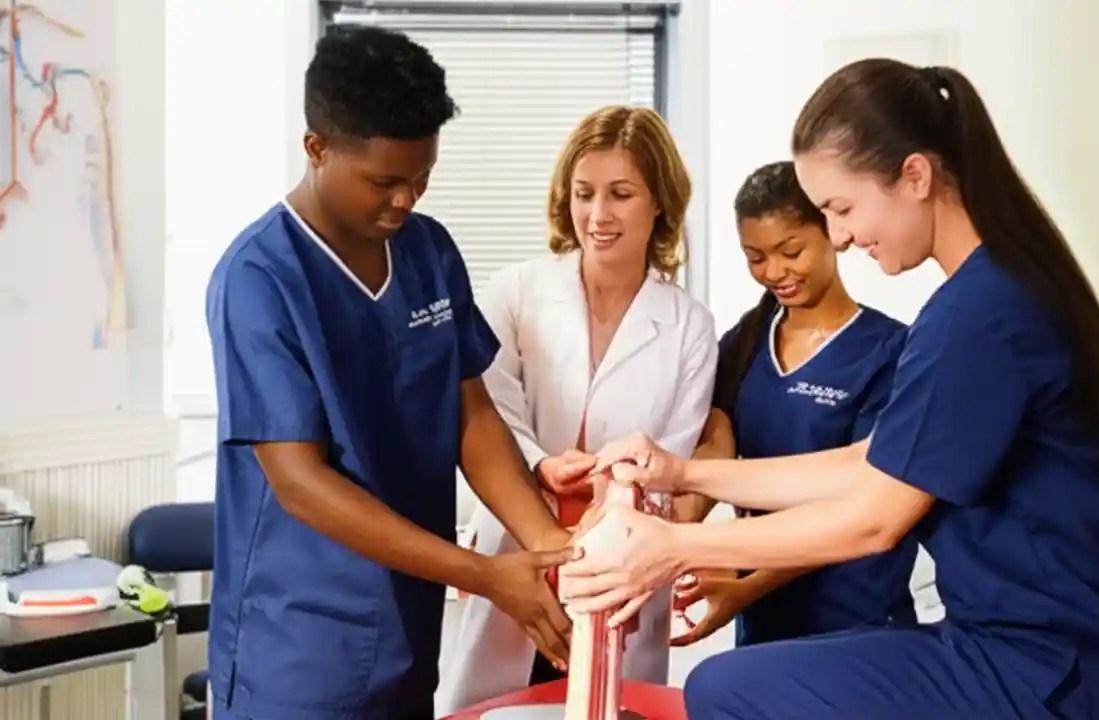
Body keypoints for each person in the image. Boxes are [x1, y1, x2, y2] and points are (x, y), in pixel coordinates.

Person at [559, 58, 1099, 720]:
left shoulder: (978, 316)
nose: (842, 236)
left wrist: (670, 546)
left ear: (915, 175)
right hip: (1064, 650)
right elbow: (873, 464)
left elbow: (876, 517)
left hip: (1047, 666)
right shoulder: (997, 290)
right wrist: (684, 474)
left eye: (841, 210)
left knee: (722, 688)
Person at [204, 27, 582, 719]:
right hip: (298, 645)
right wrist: (486, 576)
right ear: (316, 148)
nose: (406, 200)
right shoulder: (259, 279)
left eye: (421, 177)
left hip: (407, 627)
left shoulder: (428, 252)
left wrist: (551, 544)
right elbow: (301, 483)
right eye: (384, 181)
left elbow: (470, 414)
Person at [435, 106, 718, 713]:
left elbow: (674, 458)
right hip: (518, 549)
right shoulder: (514, 293)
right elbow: (488, 414)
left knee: (607, 704)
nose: (598, 215)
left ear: (660, 202)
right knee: (496, 706)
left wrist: (611, 502)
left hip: (622, 567)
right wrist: (539, 463)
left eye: (621, 194)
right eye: (584, 193)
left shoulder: (689, 326)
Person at [670, 160, 928, 649]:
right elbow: (714, 454)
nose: (775, 273)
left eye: (791, 251)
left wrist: (745, 588)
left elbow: (863, 507)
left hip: (860, 627)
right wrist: (664, 524)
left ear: (831, 231)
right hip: (763, 626)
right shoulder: (742, 346)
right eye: (756, 257)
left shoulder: (891, 353)